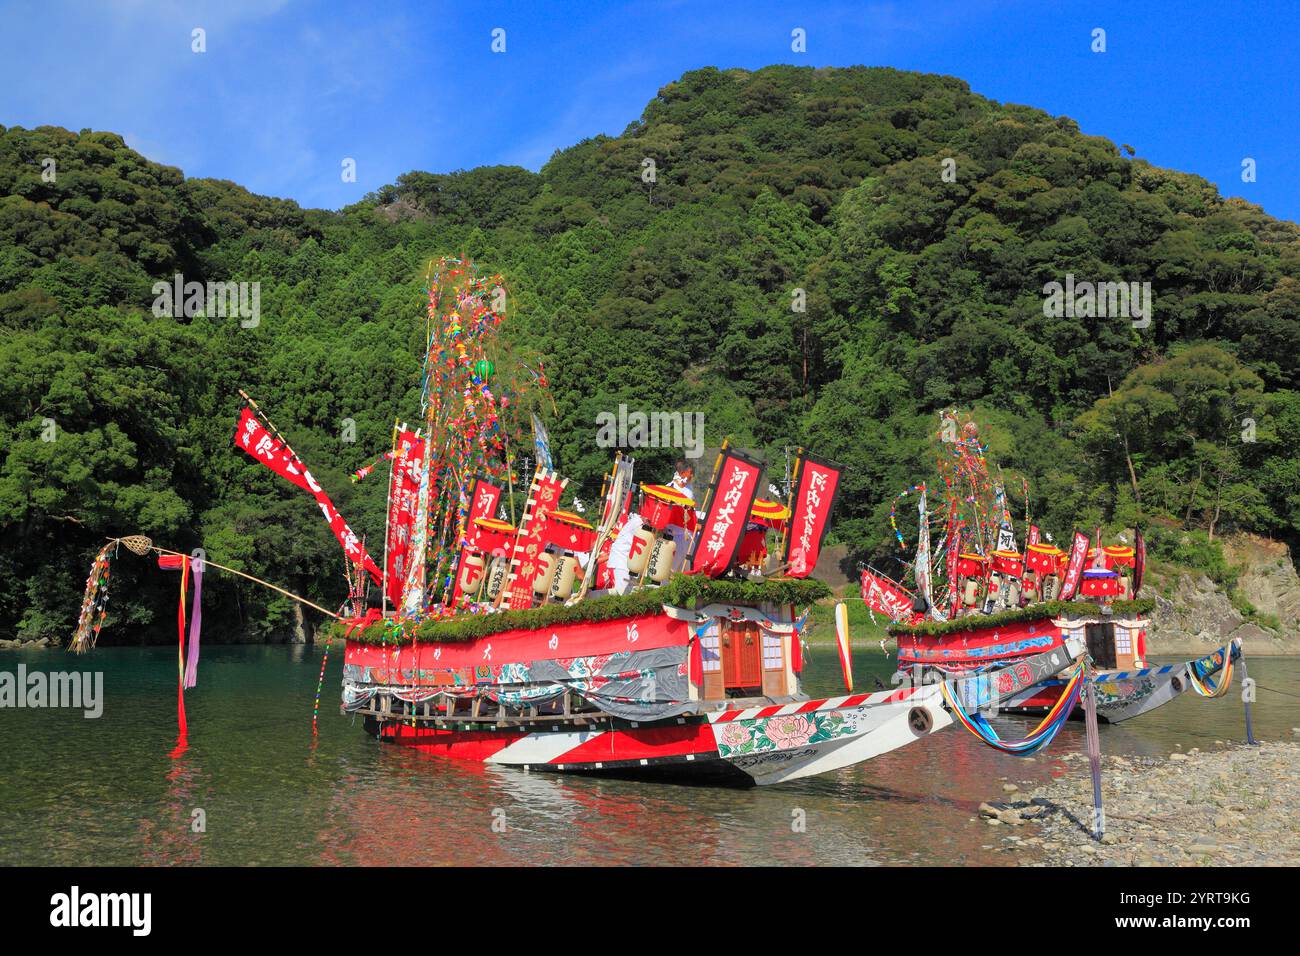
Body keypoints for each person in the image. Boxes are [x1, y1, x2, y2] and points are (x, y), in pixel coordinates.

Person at [606, 513, 645, 595]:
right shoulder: (637, 523)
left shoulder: (639, 522)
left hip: (631, 561)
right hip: (621, 558)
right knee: (621, 591)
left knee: (630, 591)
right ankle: (590, 597)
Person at [666, 460, 694, 572]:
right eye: (690, 473)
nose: (691, 476)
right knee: (670, 569)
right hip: (673, 533)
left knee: (684, 569)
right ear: (682, 473)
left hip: (687, 533)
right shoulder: (670, 487)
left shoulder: (689, 489)